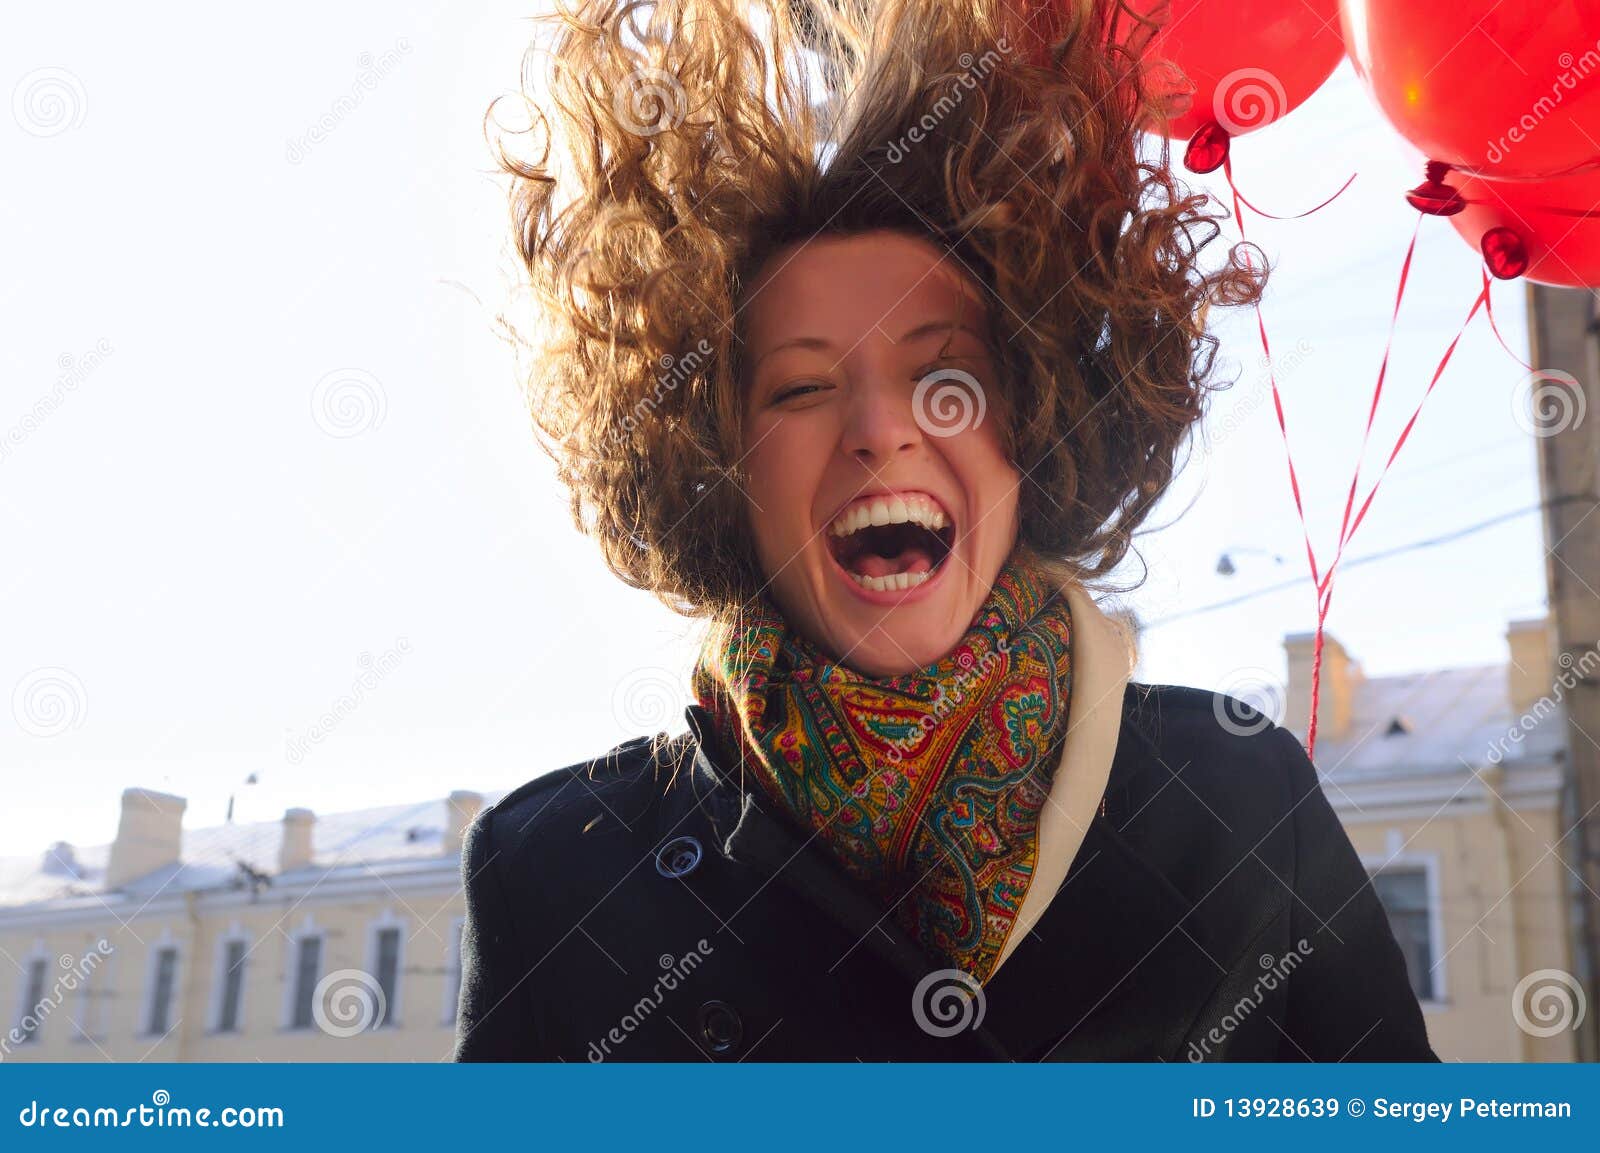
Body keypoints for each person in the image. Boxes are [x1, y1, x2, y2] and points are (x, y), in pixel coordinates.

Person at [454, 0, 1436, 1061]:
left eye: (945, 376)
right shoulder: (554, 870)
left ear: (1036, 417)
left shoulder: (1239, 800)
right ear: (714, 458)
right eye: (797, 389)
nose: (881, 431)